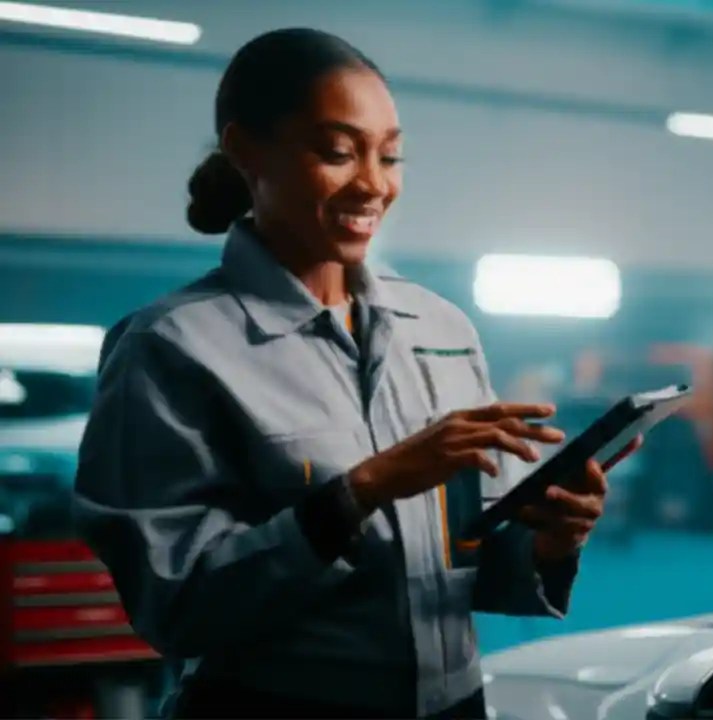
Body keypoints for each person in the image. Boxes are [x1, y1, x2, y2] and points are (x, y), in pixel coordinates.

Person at [73, 27, 638, 719]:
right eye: (337, 152)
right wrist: (361, 492)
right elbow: (177, 605)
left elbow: (462, 567)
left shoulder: (442, 331)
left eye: (391, 155)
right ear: (246, 152)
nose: (374, 183)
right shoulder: (171, 348)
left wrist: (550, 538)